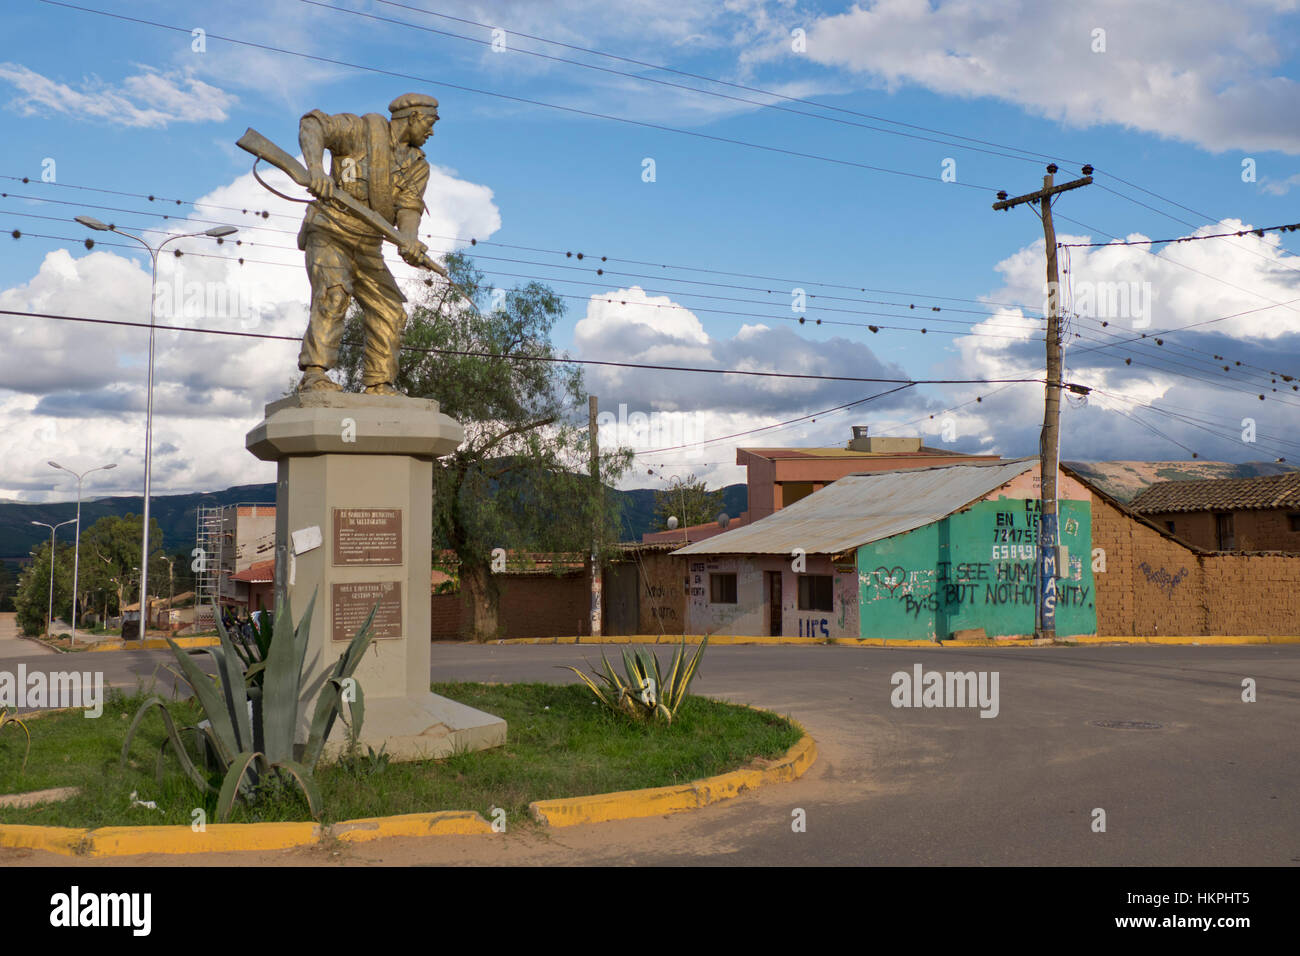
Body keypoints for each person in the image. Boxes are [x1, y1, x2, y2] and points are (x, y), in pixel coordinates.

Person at [295, 93, 442, 395]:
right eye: (429, 122)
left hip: (368, 243)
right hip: (330, 230)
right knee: (334, 293)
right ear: (413, 116)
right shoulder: (359, 130)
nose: (431, 131)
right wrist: (316, 169)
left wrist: (410, 242)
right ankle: (315, 374)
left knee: (390, 309)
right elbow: (313, 125)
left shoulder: (418, 165)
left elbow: (409, 208)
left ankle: (379, 384)